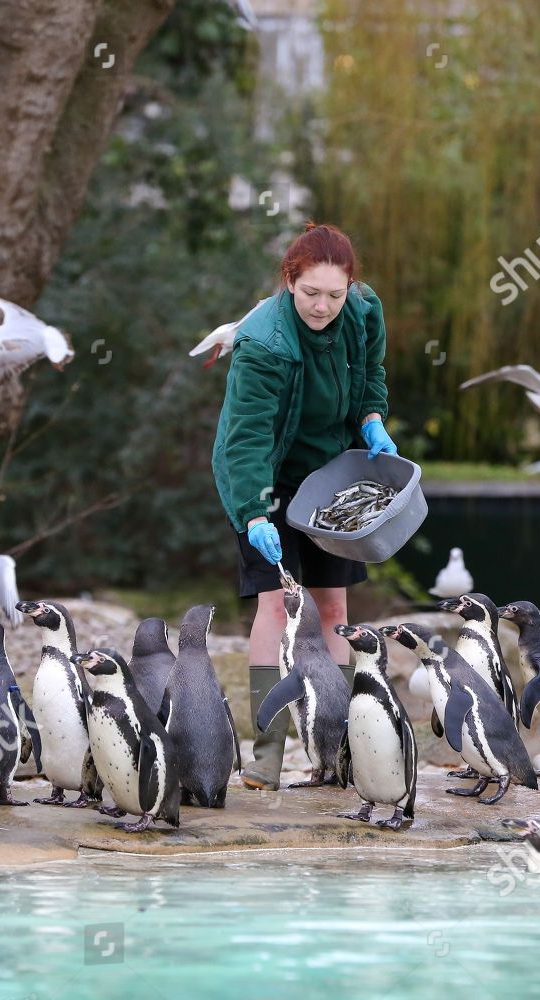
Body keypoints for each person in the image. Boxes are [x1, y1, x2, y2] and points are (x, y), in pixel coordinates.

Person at [210, 221, 397, 790]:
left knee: (334, 611)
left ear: (350, 289)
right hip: (262, 478)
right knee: (276, 607)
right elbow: (244, 440)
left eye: (334, 295)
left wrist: (371, 420)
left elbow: (368, 376)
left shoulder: (363, 312)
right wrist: (253, 514)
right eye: (310, 292)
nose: (322, 306)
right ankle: (266, 754)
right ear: (290, 281)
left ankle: (335, 748)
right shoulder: (264, 342)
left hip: (331, 478)